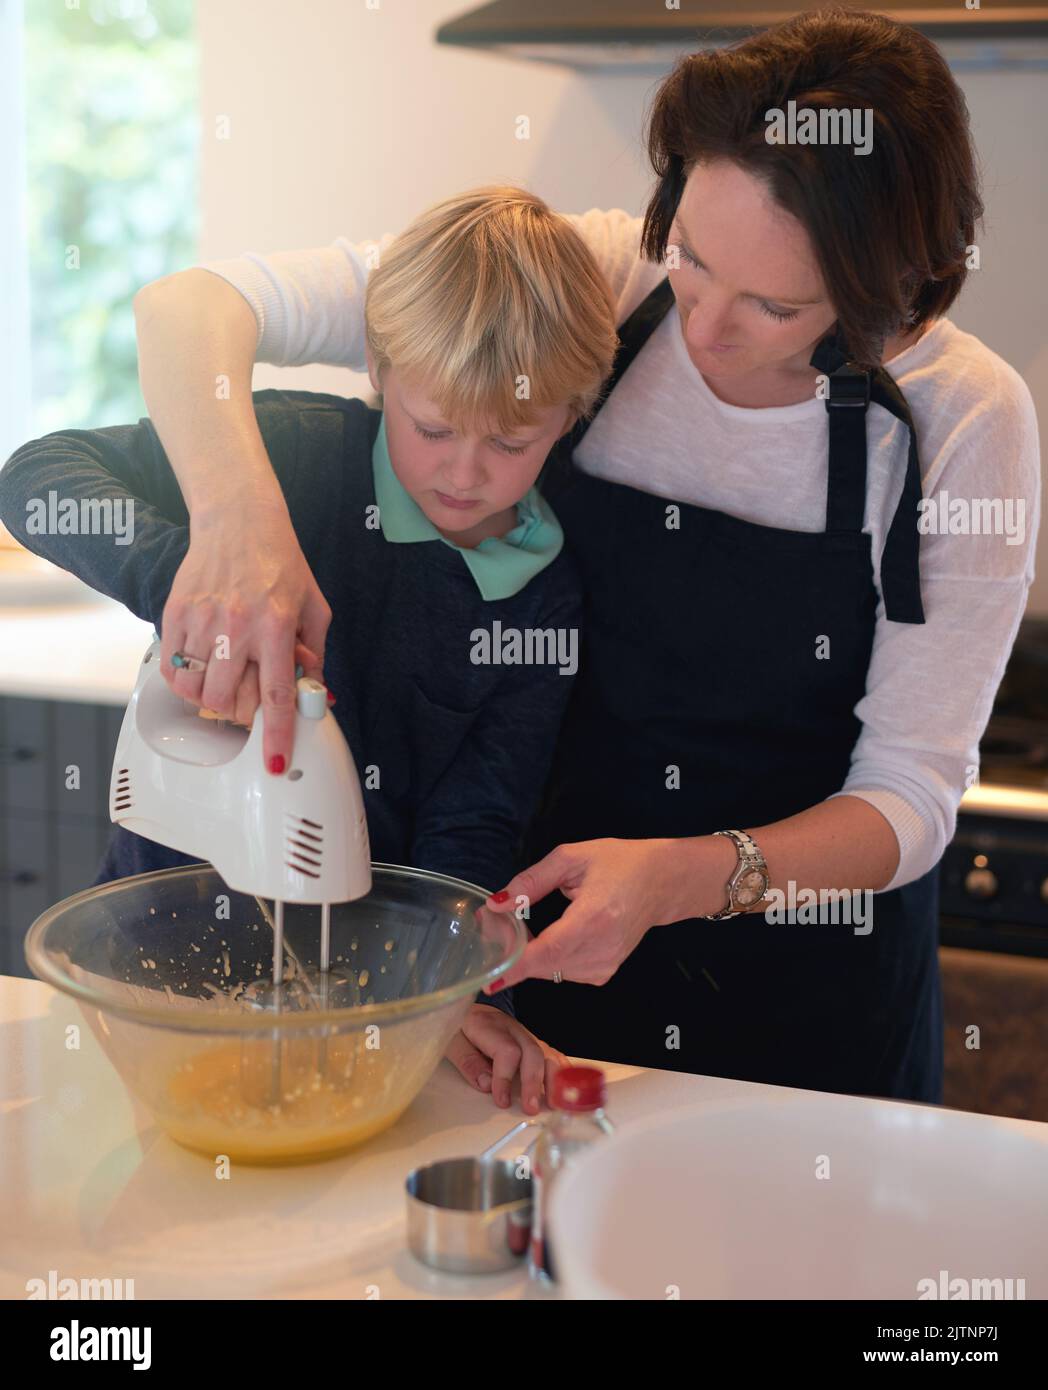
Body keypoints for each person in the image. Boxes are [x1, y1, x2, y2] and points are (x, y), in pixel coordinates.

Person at [113, 10, 1039, 1102]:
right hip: (529, 971)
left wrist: (684, 876)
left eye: (775, 304)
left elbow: (910, 799)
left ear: (887, 288)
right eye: (691, 256)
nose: (702, 327)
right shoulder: (595, 281)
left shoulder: (960, 418)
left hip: (807, 1017)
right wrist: (237, 532)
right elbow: (191, 312)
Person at [0, 186, 621, 1115]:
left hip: (362, 998)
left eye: (512, 441)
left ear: (572, 414)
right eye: (434, 427)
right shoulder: (296, 454)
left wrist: (440, 995)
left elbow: (474, 823)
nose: (463, 472)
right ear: (378, 366)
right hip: (160, 962)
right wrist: (203, 575)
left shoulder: (543, 597)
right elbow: (37, 482)